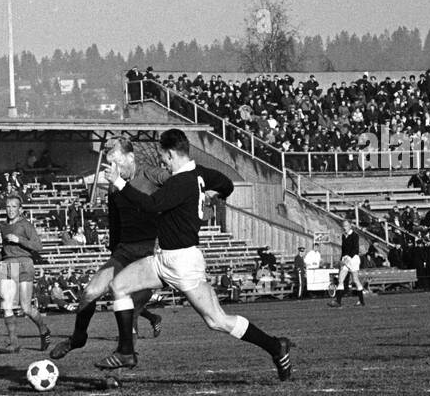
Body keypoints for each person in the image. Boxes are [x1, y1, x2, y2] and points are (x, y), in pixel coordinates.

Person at [93, 129, 293, 380]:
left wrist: (119, 183)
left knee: (217, 321)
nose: (161, 161)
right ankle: (125, 351)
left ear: (171, 153)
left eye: (162, 156)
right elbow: (226, 183)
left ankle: (276, 347)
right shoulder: (199, 175)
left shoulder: (182, 181)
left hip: (182, 263)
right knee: (119, 285)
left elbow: (151, 206)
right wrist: (213, 193)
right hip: (165, 258)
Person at [49, 138, 162, 361]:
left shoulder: (152, 175)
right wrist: (114, 253)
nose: (113, 170)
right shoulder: (114, 184)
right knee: (90, 292)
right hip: (124, 252)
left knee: (131, 308)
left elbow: (183, 184)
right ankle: (78, 338)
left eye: (117, 163)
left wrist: (206, 189)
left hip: (151, 253)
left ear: (131, 158)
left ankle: (123, 361)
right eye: (110, 166)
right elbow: (115, 221)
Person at [0, 191, 52, 353]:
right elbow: (5, 247)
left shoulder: (25, 225)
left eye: (14, 206)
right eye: (8, 206)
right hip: (7, 265)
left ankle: (44, 329)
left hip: (25, 265)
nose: (10, 209)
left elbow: (38, 246)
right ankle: (14, 343)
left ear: (20, 209)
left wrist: (19, 239)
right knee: (6, 304)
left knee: (26, 308)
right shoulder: (3, 226)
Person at [328, 219, 366, 307]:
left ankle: (361, 300)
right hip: (345, 259)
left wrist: (349, 258)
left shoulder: (355, 235)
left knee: (355, 280)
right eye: (343, 226)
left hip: (353, 259)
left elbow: (355, 249)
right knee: (341, 279)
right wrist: (342, 259)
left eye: (345, 226)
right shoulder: (343, 236)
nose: (344, 228)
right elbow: (343, 249)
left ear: (350, 226)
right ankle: (338, 301)